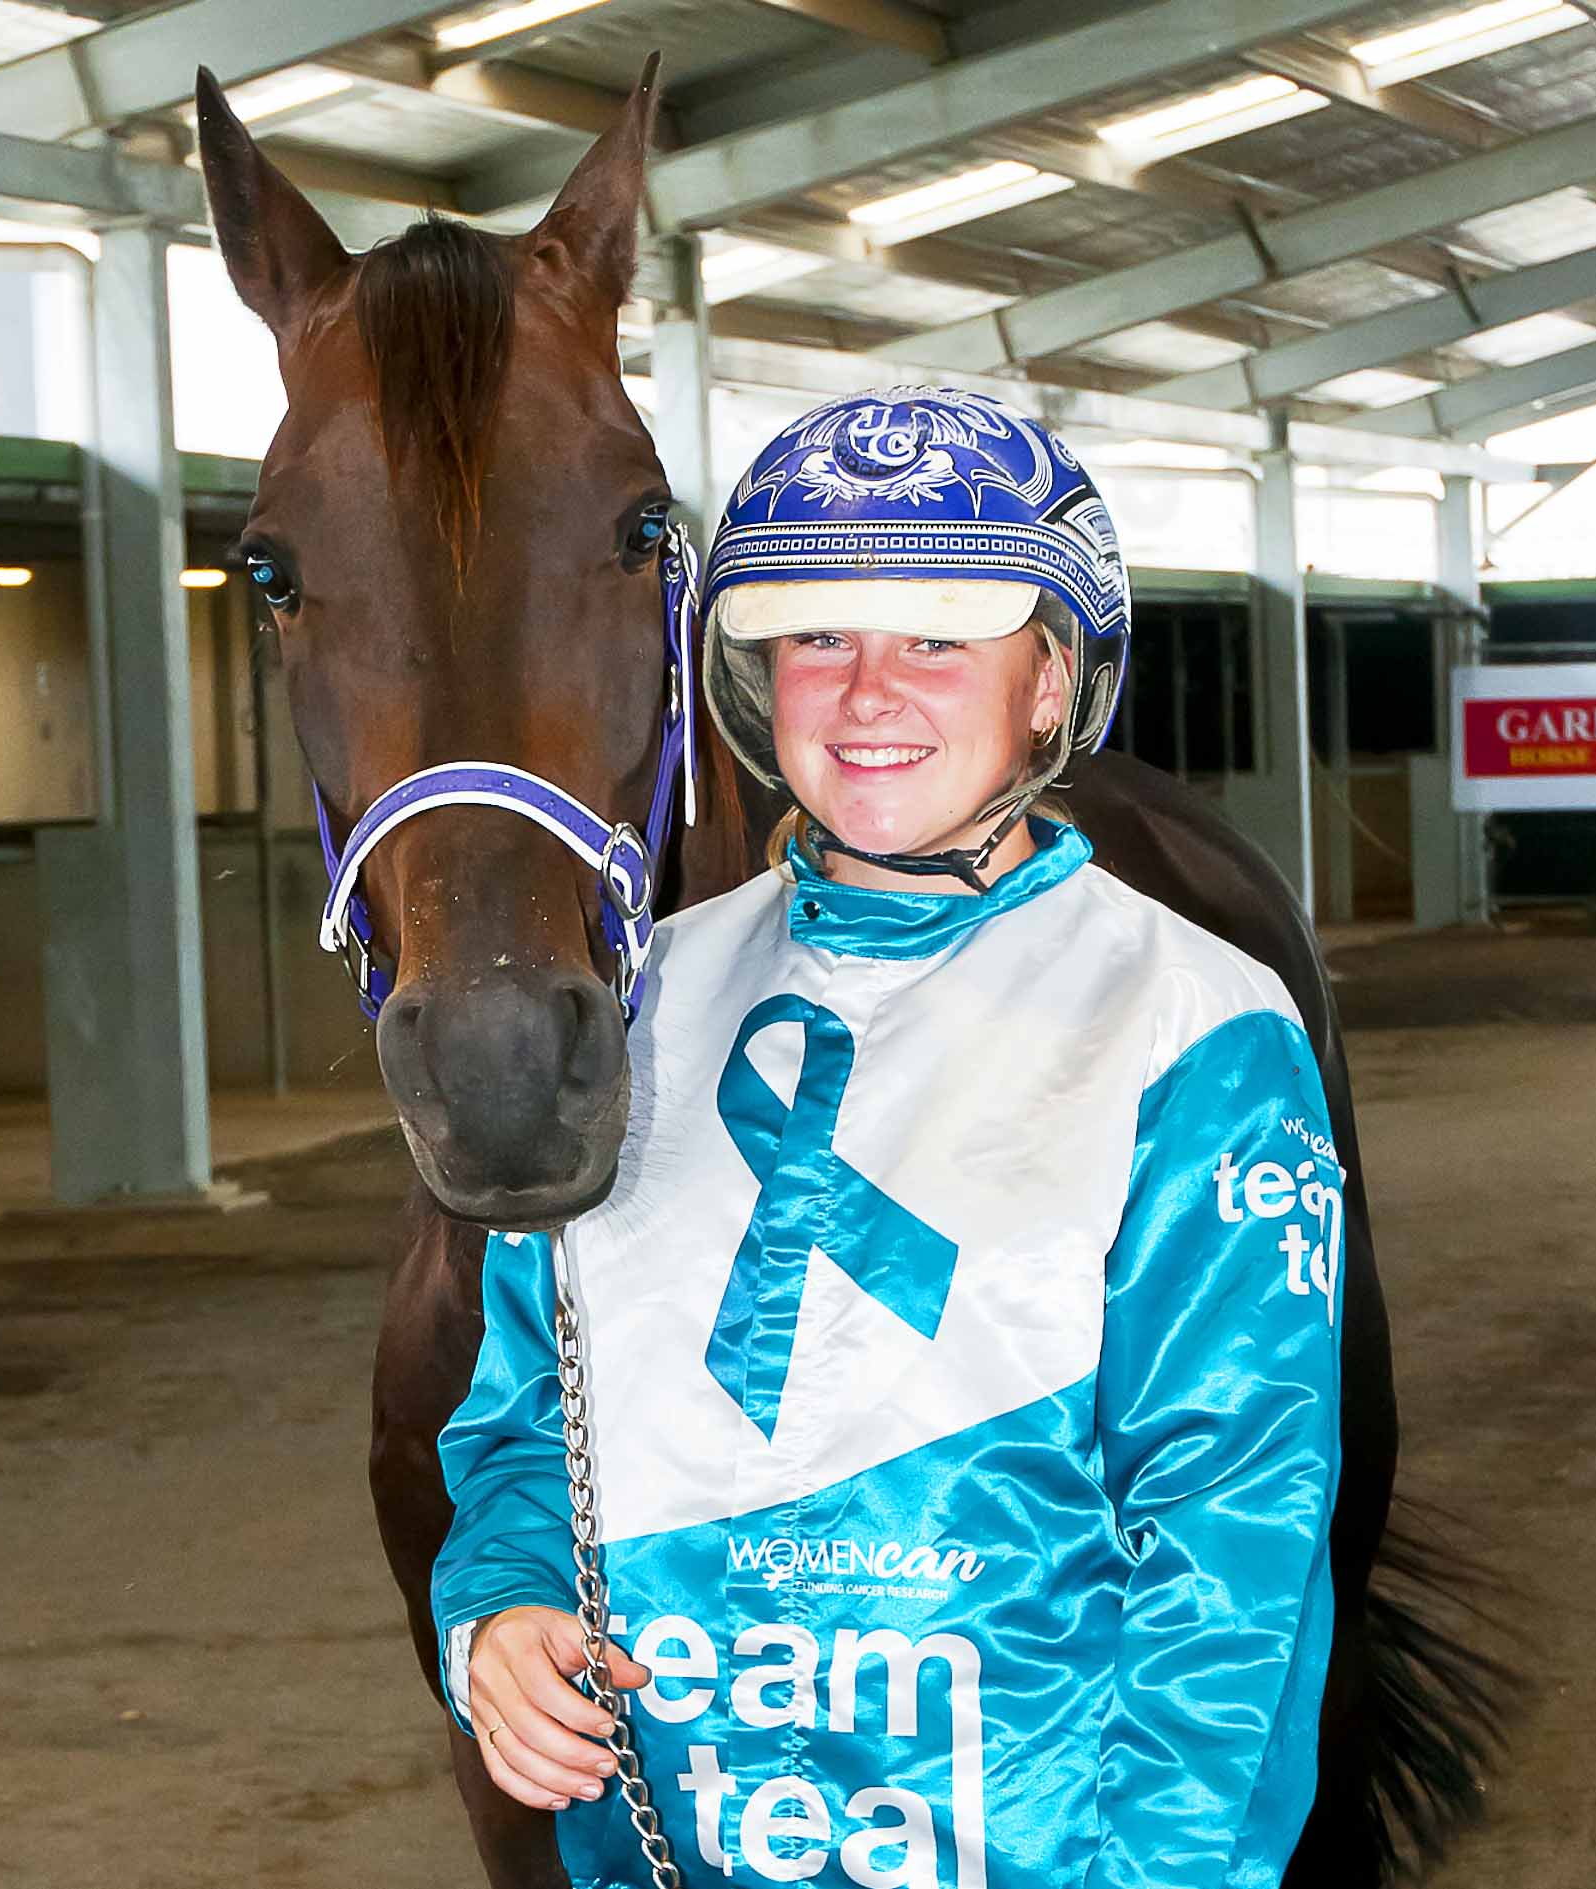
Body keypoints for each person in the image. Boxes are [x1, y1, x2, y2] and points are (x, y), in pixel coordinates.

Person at [430, 388, 1345, 1889]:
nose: (866, 693)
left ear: (1049, 683)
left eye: (936, 638)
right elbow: (537, 1418)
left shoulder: (1196, 1028)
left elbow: (1234, 1549)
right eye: (817, 639)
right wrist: (505, 1606)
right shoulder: (642, 1008)